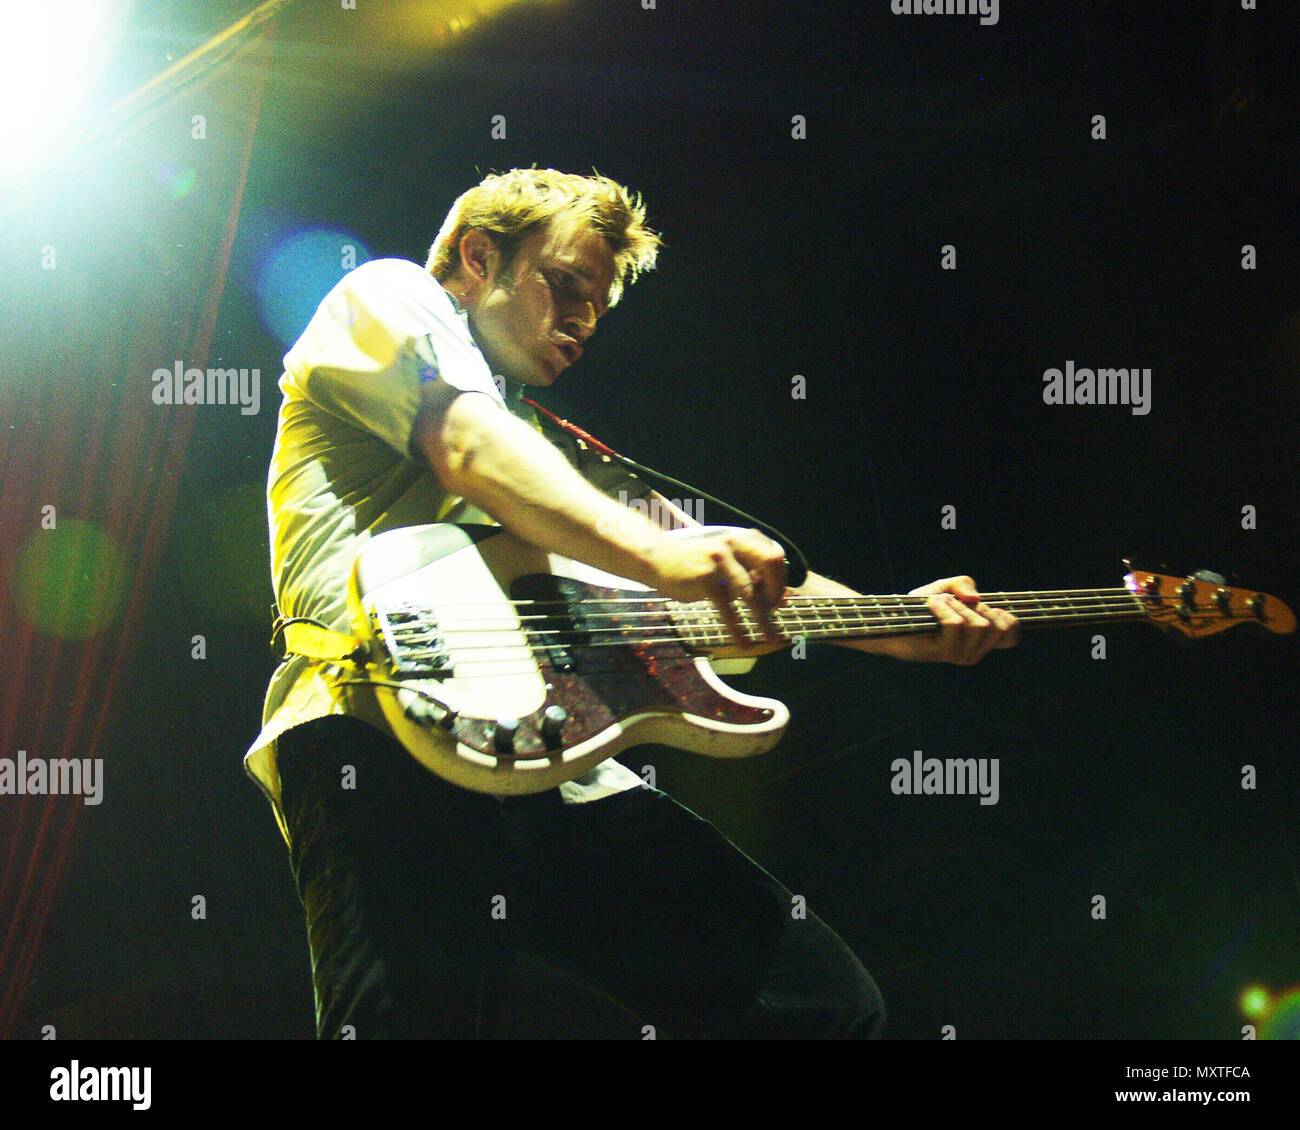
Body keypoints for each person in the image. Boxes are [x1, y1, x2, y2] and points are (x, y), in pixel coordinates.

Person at [244, 168, 1019, 1039]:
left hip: (558, 757)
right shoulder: (389, 295)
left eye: (598, 306)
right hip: (376, 728)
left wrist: (898, 624)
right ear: (476, 255)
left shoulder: (552, 448)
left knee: (822, 1007)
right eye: (564, 284)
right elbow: (467, 443)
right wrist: (659, 552)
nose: (581, 321)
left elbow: (720, 565)